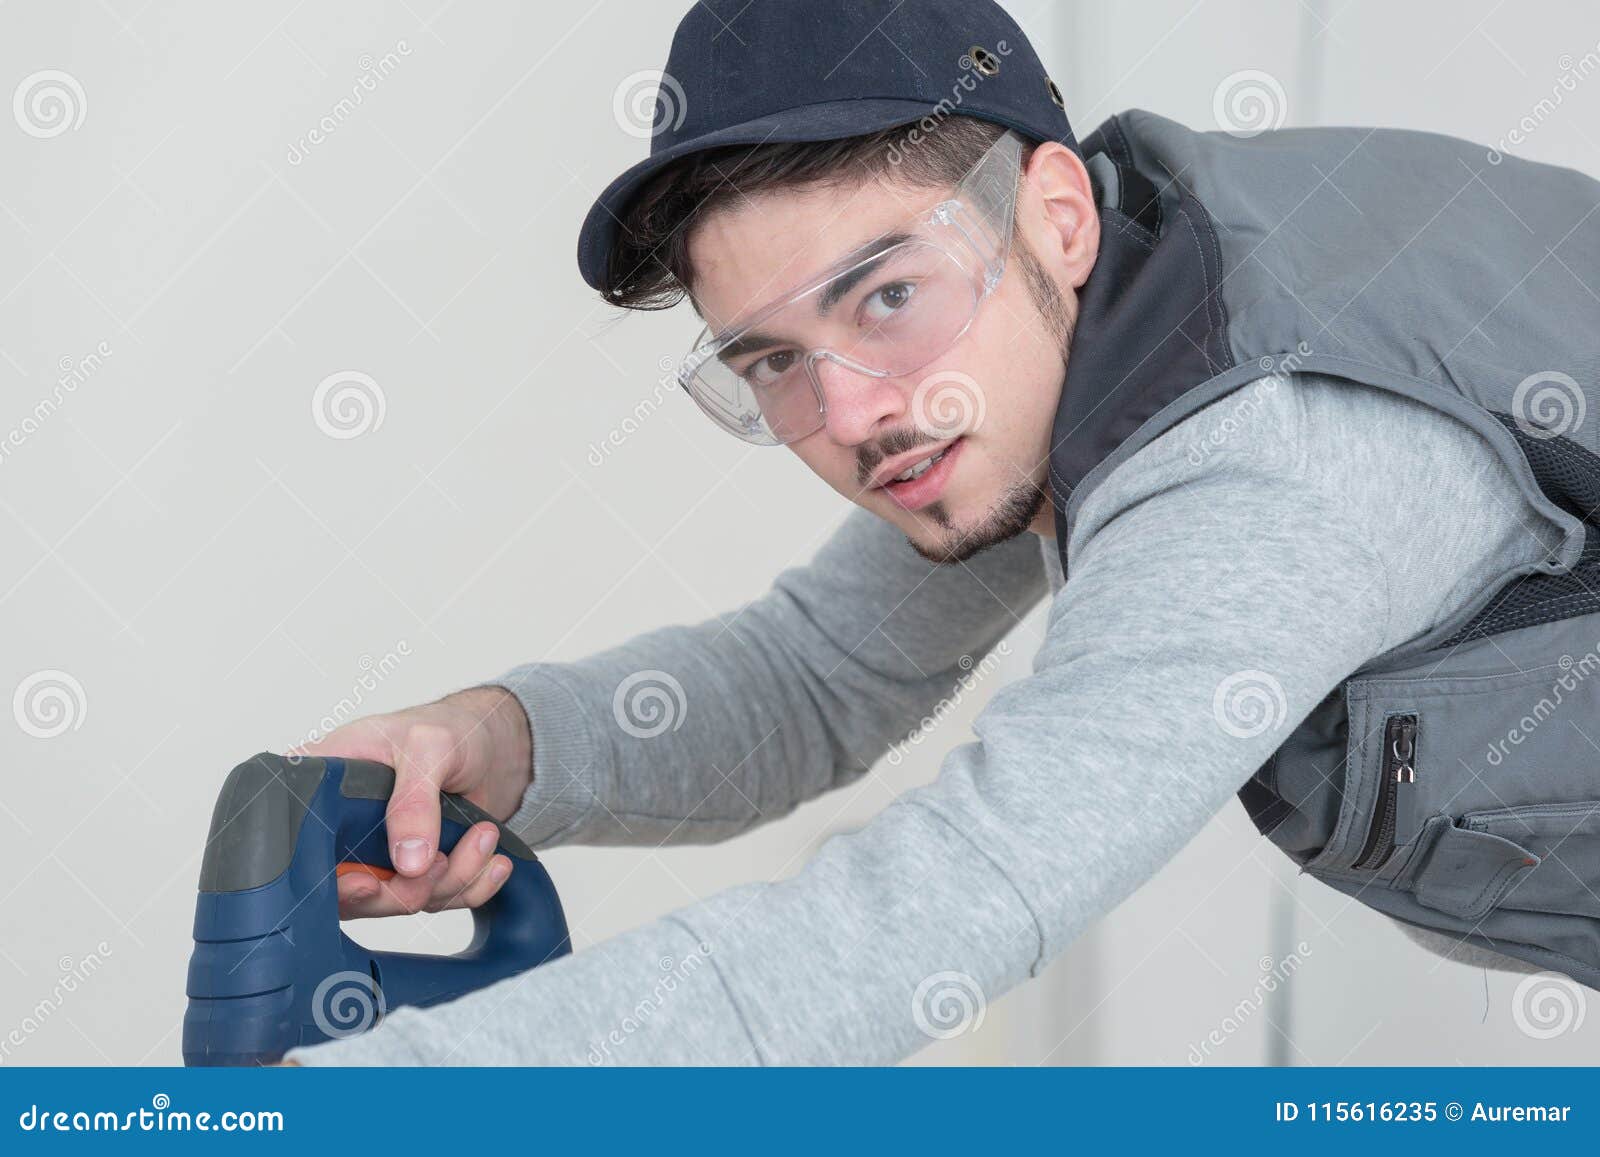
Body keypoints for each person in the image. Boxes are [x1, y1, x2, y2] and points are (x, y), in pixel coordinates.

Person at [283, 0, 1600, 1065]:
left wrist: (360, 1104)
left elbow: (937, 910)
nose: (852, 412)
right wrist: (493, 749)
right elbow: (820, 676)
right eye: (770, 361)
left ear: (1057, 216)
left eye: (886, 295)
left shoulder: (1269, 449)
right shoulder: (1070, 345)